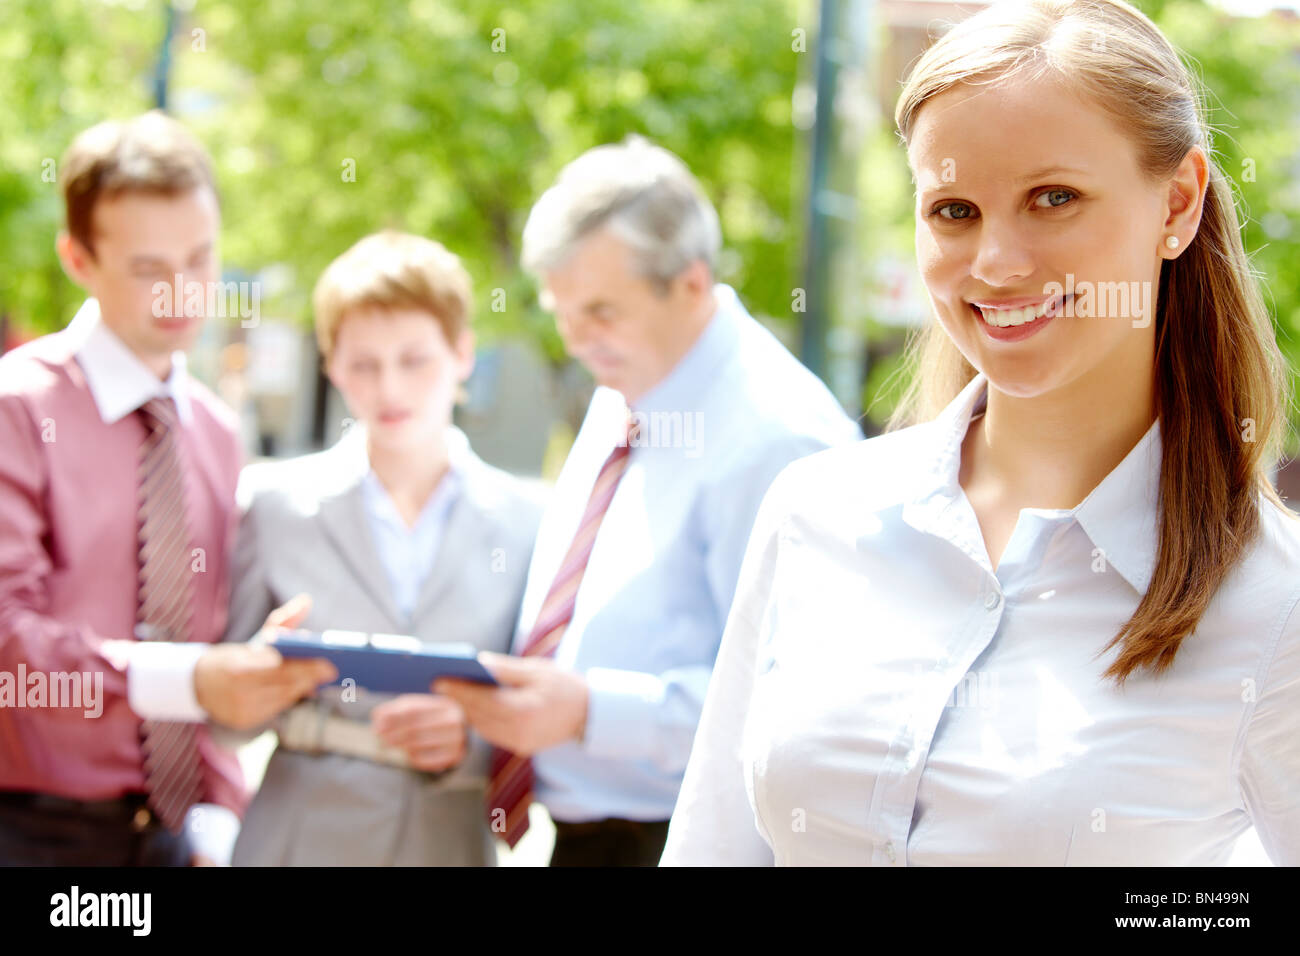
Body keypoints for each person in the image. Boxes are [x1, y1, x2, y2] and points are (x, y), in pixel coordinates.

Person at [661, 0, 1300, 867]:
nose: (997, 263)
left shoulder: (1273, 609)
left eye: (1053, 198)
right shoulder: (815, 511)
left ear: (1177, 204)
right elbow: (712, 849)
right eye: (954, 210)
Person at [435, 136, 862, 866]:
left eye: (600, 311)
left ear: (690, 284)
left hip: (688, 840)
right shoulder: (628, 387)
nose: (575, 339)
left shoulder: (780, 441)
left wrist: (588, 711)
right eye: (561, 312)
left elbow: (798, 705)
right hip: (588, 835)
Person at [0, 112, 332, 866]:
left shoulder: (213, 432)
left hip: (174, 838)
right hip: (31, 833)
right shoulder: (16, 409)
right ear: (78, 259)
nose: (184, 292)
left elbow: (200, 642)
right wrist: (190, 679)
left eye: (201, 258)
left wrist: (218, 815)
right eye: (151, 269)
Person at [221, 231, 544, 866]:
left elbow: (544, 707)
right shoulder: (272, 503)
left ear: (462, 355)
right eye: (364, 363)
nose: (389, 387)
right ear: (332, 364)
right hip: (297, 843)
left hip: (446, 844)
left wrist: (473, 743)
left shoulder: (530, 521)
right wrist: (253, 678)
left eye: (414, 359)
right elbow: (224, 724)